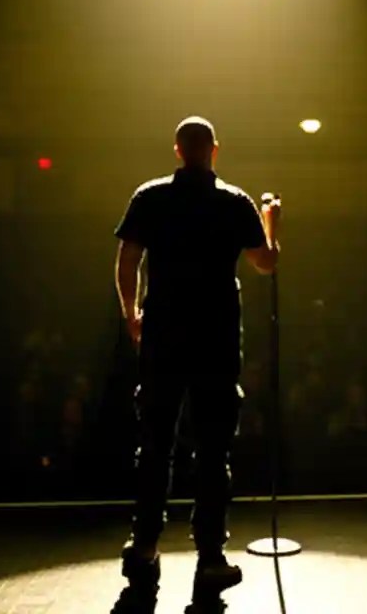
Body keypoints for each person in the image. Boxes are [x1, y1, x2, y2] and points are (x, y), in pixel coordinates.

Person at [113, 116, 281, 610]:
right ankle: (210, 556)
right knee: (212, 450)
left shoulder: (151, 197)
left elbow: (128, 258)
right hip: (215, 338)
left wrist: (131, 314)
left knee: (155, 443)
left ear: (177, 150)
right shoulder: (235, 202)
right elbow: (265, 262)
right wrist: (274, 223)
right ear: (214, 150)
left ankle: (143, 548)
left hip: (164, 333)